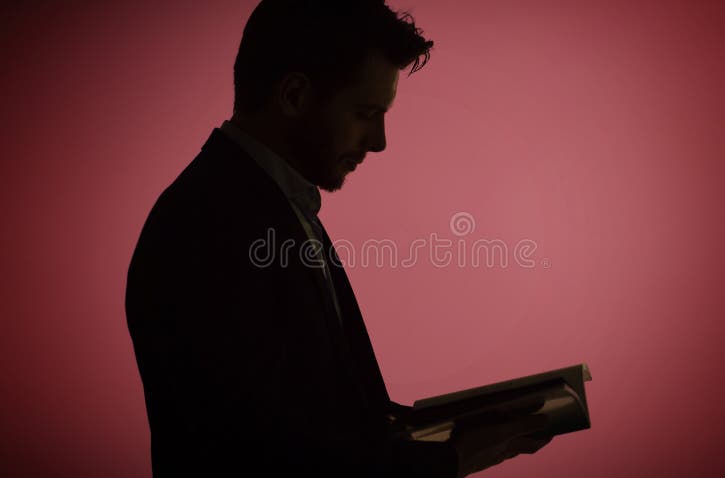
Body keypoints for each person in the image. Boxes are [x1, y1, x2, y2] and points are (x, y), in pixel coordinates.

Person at [125, 1, 551, 476]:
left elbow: (314, 415)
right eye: (365, 112)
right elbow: (264, 448)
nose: (379, 141)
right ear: (293, 95)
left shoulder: (264, 205)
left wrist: (447, 431)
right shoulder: (209, 225)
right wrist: (450, 457)